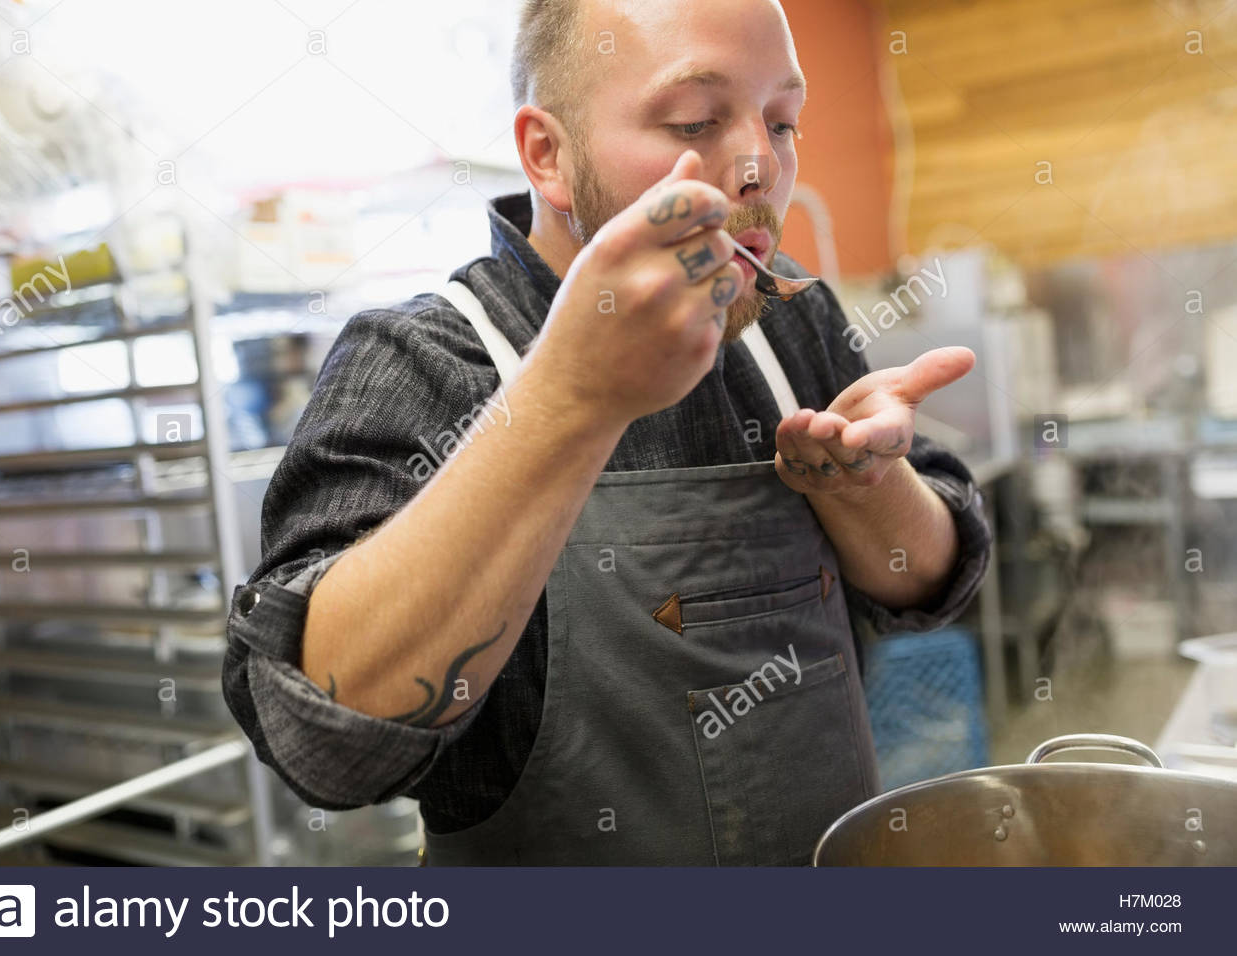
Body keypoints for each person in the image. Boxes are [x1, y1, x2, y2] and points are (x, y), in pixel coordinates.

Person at [223, 0, 992, 865]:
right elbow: (319, 743)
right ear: (549, 156)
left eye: (782, 122)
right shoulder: (422, 362)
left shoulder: (790, 320)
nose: (758, 166)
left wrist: (871, 489)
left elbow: (932, 585)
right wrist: (570, 399)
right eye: (695, 121)